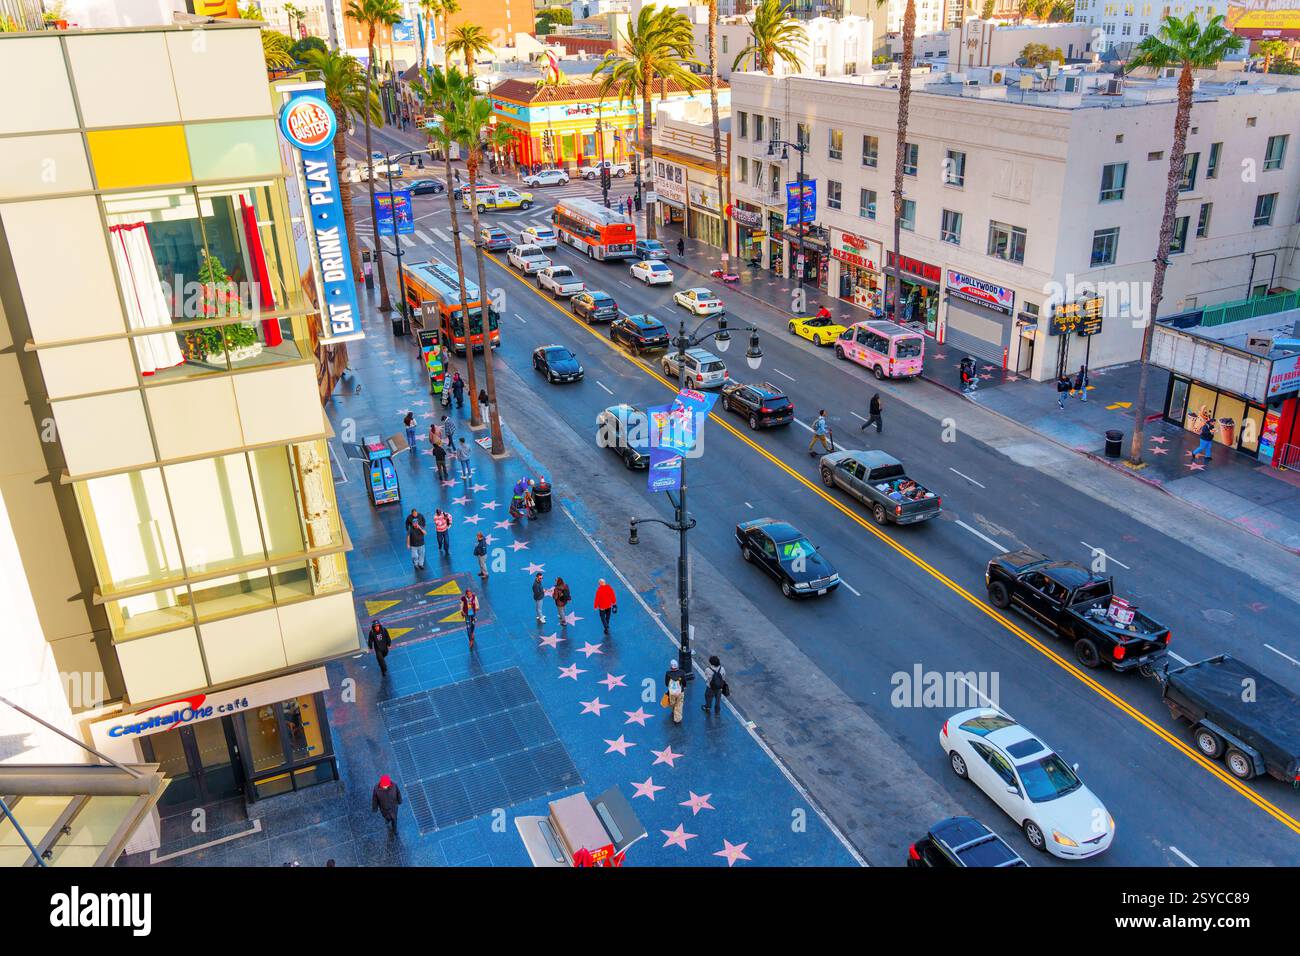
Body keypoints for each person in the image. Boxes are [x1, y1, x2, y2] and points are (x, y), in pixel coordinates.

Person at [664, 658, 685, 725]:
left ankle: (673, 710)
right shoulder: (682, 673)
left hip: (672, 692)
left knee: (672, 702)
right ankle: (677, 719)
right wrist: (684, 686)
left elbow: (666, 683)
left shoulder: (668, 674)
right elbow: (684, 682)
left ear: (671, 667)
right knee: (679, 704)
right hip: (680, 692)